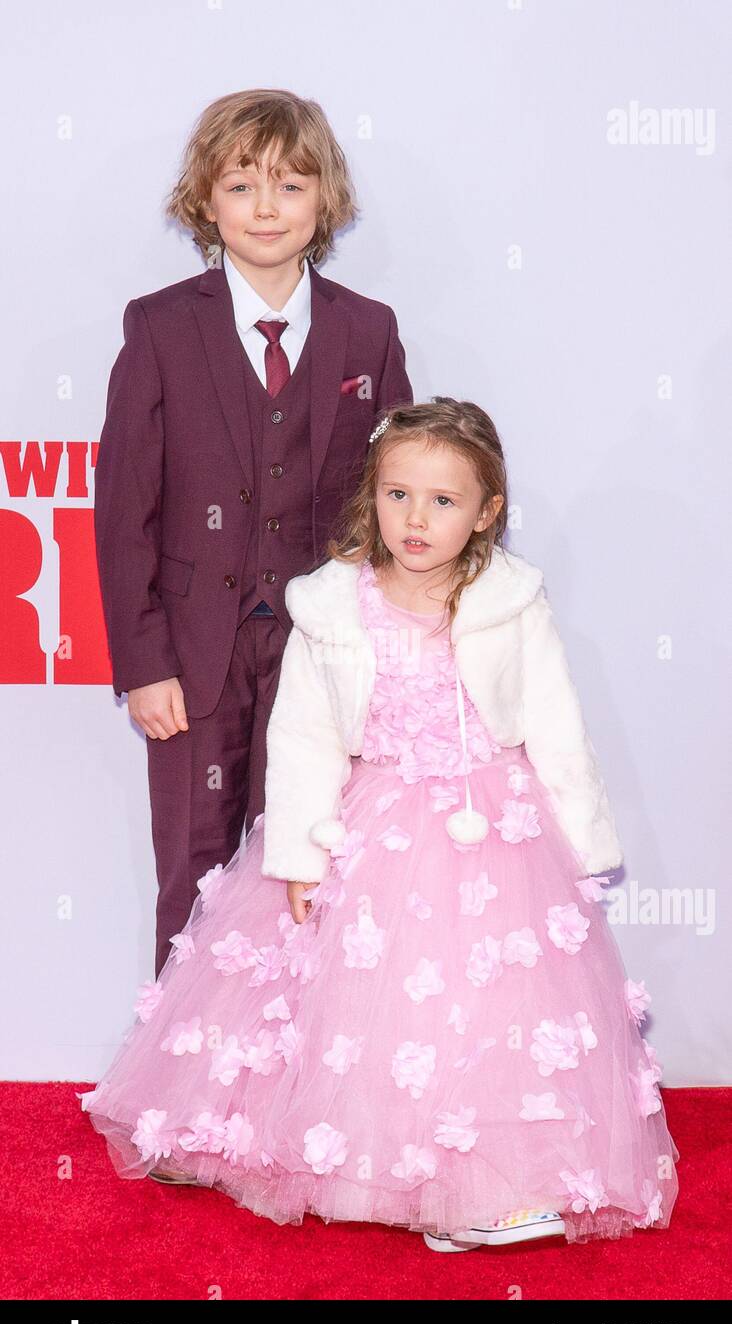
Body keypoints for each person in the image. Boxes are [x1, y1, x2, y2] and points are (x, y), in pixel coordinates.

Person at [80, 398, 680, 1252]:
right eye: (399, 495)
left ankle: (484, 1190)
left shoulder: (511, 601)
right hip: (369, 826)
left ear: (487, 513)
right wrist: (293, 851)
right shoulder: (333, 607)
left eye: (443, 501)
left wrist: (580, 849)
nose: (417, 519)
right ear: (374, 495)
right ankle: (377, 1174)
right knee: (363, 1006)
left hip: (491, 830)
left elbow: (555, 723)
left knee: (481, 1007)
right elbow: (304, 737)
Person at [93, 89, 412, 978]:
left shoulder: (366, 330)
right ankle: (179, 1086)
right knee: (194, 868)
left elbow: (395, 498)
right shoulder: (158, 327)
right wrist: (145, 662)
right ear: (204, 201)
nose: (266, 208)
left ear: (326, 202)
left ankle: (296, 1080)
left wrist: (390, 644)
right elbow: (124, 514)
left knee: (309, 862)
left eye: (289, 184)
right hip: (192, 656)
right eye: (241, 185)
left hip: (322, 651)